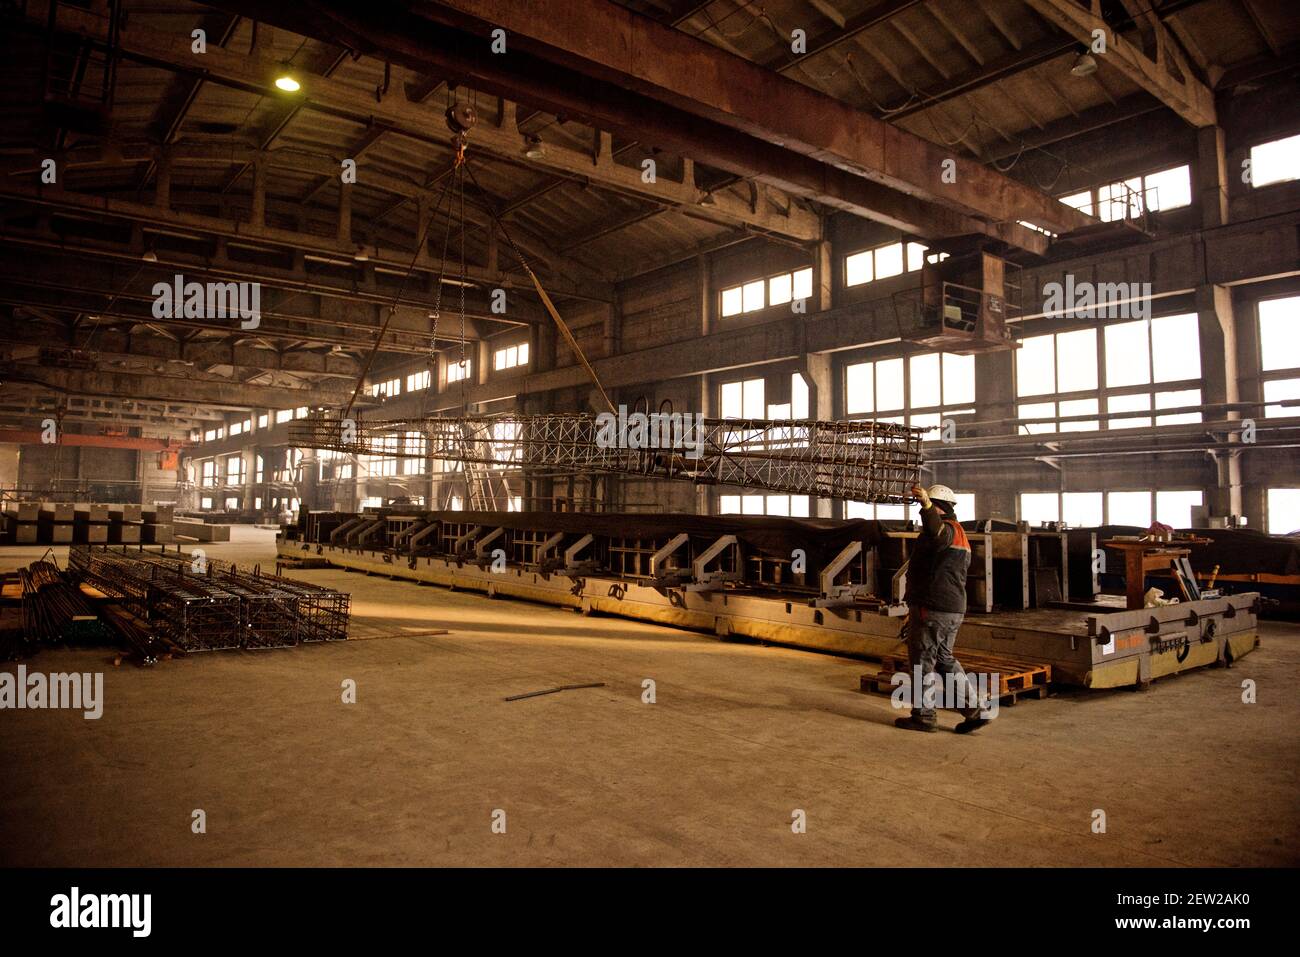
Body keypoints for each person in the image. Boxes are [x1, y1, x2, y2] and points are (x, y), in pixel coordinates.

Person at [894, 483, 993, 734]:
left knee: (922, 661)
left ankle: (924, 716)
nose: (922, 512)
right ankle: (975, 710)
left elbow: (935, 531)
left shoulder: (944, 531)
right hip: (952, 609)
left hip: (933, 608)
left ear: (939, 508)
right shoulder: (960, 533)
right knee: (944, 659)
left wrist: (926, 504)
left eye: (928, 507)